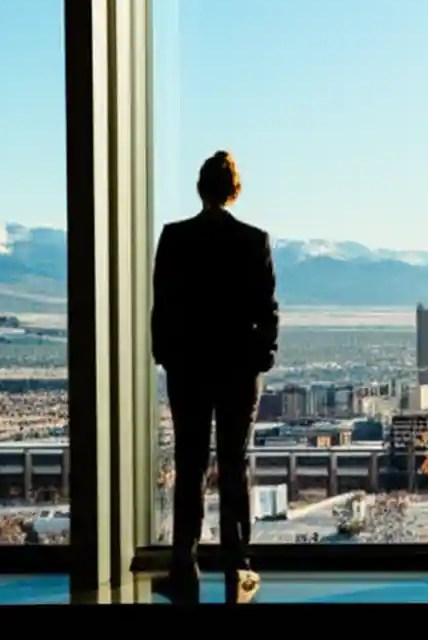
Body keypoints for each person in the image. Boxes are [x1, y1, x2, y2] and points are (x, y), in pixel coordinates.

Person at [151, 151, 278, 604]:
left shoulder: (174, 238)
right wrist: (261, 356)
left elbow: (161, 306)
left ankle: (183, 563)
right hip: (237, 372)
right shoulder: (253, 240)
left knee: (190, 464)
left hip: (188, 369)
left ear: (200, 187)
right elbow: (267, 309)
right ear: (233, 190)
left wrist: (166, 354)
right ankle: (237, 565)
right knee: (233, 465)